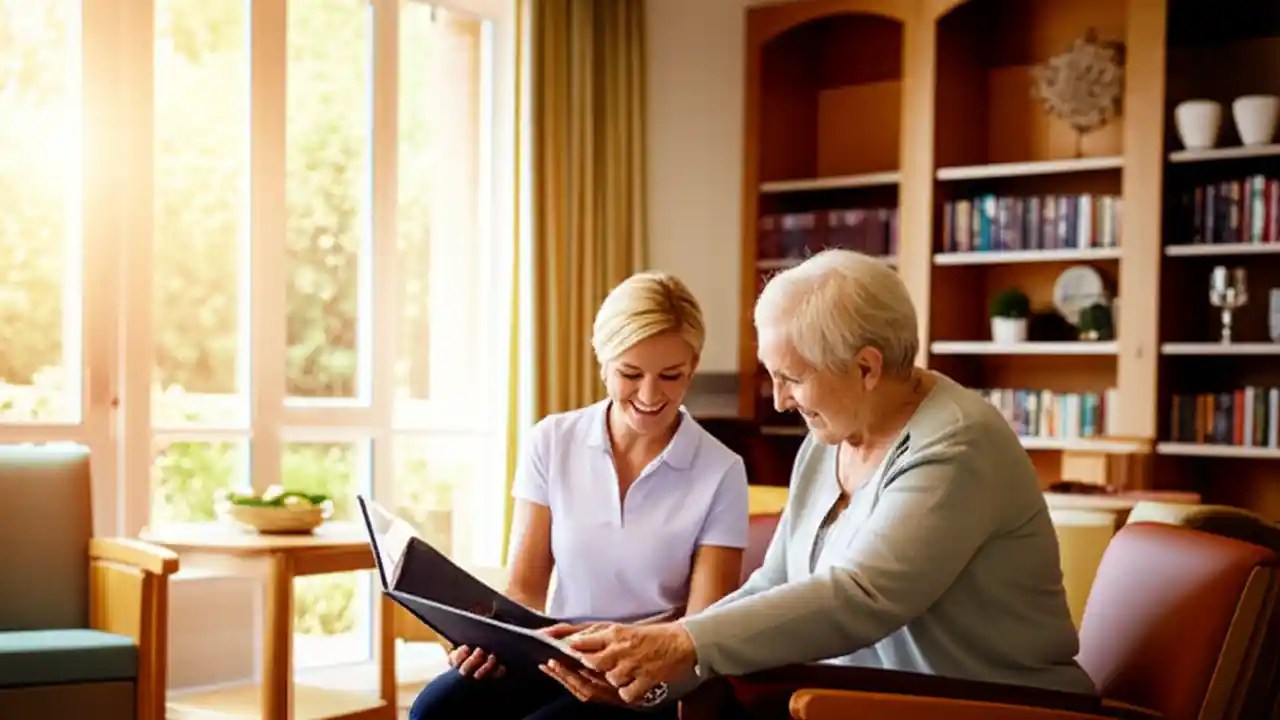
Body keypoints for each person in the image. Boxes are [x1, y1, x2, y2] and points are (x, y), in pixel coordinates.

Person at [553, 249, 1097, 709]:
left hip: (989, 707)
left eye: (791, 377)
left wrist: (681, 643)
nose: (779, 399)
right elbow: (778, 581)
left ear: (866, 368)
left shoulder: (957, 445)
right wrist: (658, 668)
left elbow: (861, 595)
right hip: (860, 702)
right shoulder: (828, 439)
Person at [408, 271, 750, 720]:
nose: (650, 395)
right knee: (435, 709)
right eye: (631, 373)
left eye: (671, 375)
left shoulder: (722, 470)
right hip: (553, 657)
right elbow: (525, 591)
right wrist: (489, 643)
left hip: (644, 674)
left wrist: (636, 682)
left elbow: (704, 631)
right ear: (603, 362)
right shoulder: (552, 440)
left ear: (694, 365)